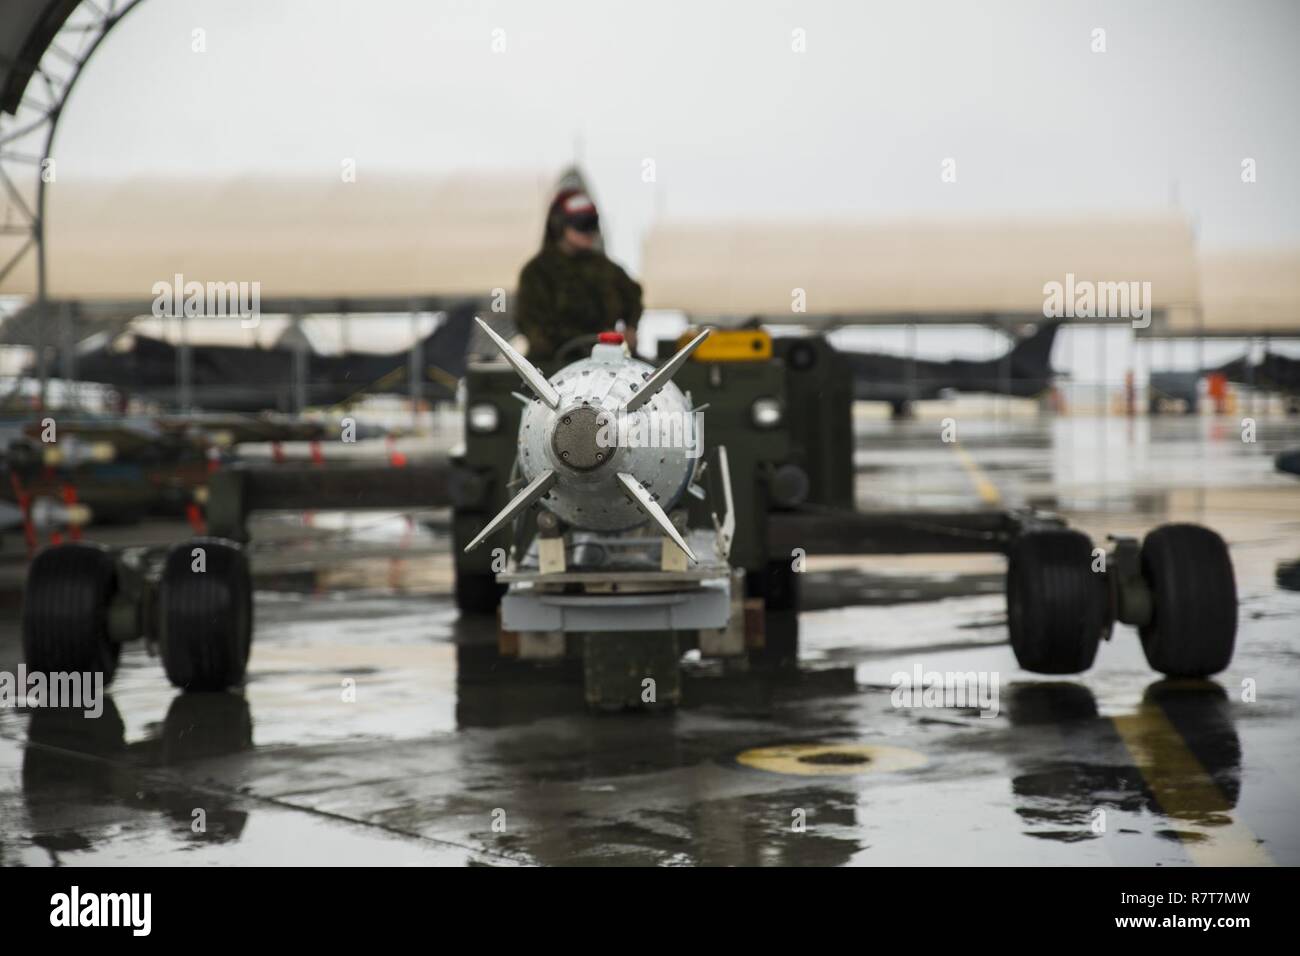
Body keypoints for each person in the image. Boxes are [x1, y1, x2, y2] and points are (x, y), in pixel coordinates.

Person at [514, 190, 642, 362]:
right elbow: (534, 329)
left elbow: (634, 296)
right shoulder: (536, 273)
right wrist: (587, 341)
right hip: (552, 367)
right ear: (559, 225)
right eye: (581, 223)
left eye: (593, 223)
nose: (589, 231)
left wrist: (630, 329)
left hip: (604, 362)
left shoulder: (606, 269)